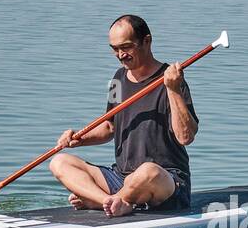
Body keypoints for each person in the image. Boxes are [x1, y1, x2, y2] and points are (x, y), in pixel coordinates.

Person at [49, 15, 199, 216]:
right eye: (114, 49)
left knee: (148, 170)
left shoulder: (173, 81)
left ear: (147, 41)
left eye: (126, 47)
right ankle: (110, 201)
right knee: (60, 162)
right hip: (121, 177)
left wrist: (172, 89)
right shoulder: (117, 80)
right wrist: (78, 138)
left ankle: (104, 200)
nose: (120, 54)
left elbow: (185, 137)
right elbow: (110, 126)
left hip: (165, 181)